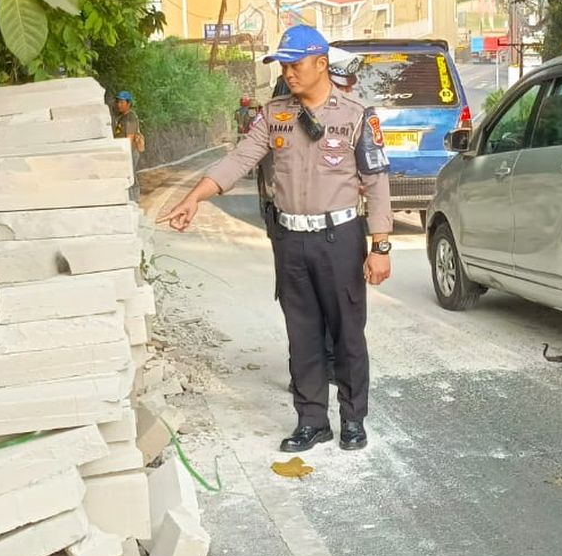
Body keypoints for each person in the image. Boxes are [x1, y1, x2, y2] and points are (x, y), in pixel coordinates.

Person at [161, 25, 393, 453]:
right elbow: (239, 160)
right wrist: (193, 198)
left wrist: (379, 246)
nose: (289, 73)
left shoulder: (356, 115)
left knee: (347, 333)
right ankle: (311, 420)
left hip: (339, 237)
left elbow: (376, 183)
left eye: (296, 64)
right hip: (290, 239)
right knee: (301, 333)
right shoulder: (274, 115)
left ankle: (353, 419)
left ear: (321, 63)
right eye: (283, 65)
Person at [113, 91, 141, 202]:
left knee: (130, 176)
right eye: (118, 101)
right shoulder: (121, 117)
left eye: (121, 102)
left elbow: (129, 138)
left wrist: (124, 154)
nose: (118, 104)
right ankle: (130, 200)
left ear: (128, 103)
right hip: (123, 151)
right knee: (128, 175)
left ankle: (134, 200)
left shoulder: (130, 117)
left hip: (130, 152)